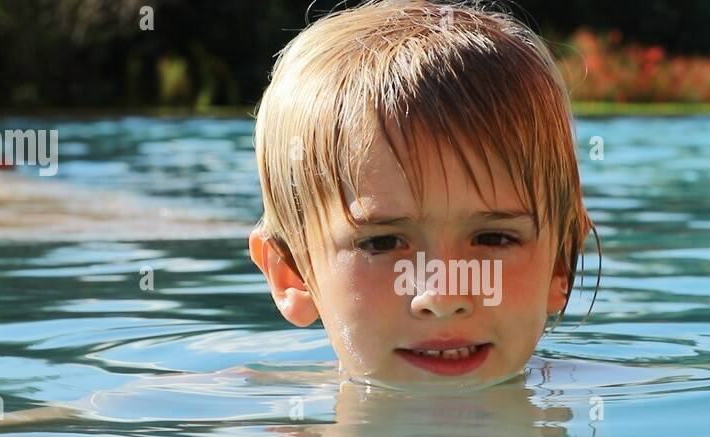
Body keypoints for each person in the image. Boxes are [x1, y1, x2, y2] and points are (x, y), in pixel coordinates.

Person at [247, 0, 596, 391]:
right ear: (292, 274)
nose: (442, 296)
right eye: (382, 242)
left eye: (494, 237)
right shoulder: (250, 412)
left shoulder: (618, 396)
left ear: (560, 265)